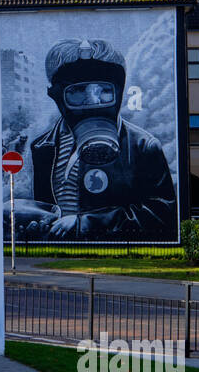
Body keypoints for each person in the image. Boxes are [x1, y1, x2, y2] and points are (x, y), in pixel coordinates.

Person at [24, 38, 176, 240]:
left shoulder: (142, 147)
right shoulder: (43, 148)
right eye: (78, 91)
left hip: (111, 252)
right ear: (56, 96)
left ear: (119, 92)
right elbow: (46, 208)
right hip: (57, 254)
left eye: (105, 91)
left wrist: (85, 223)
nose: (93, 102)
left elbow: (162, 213)